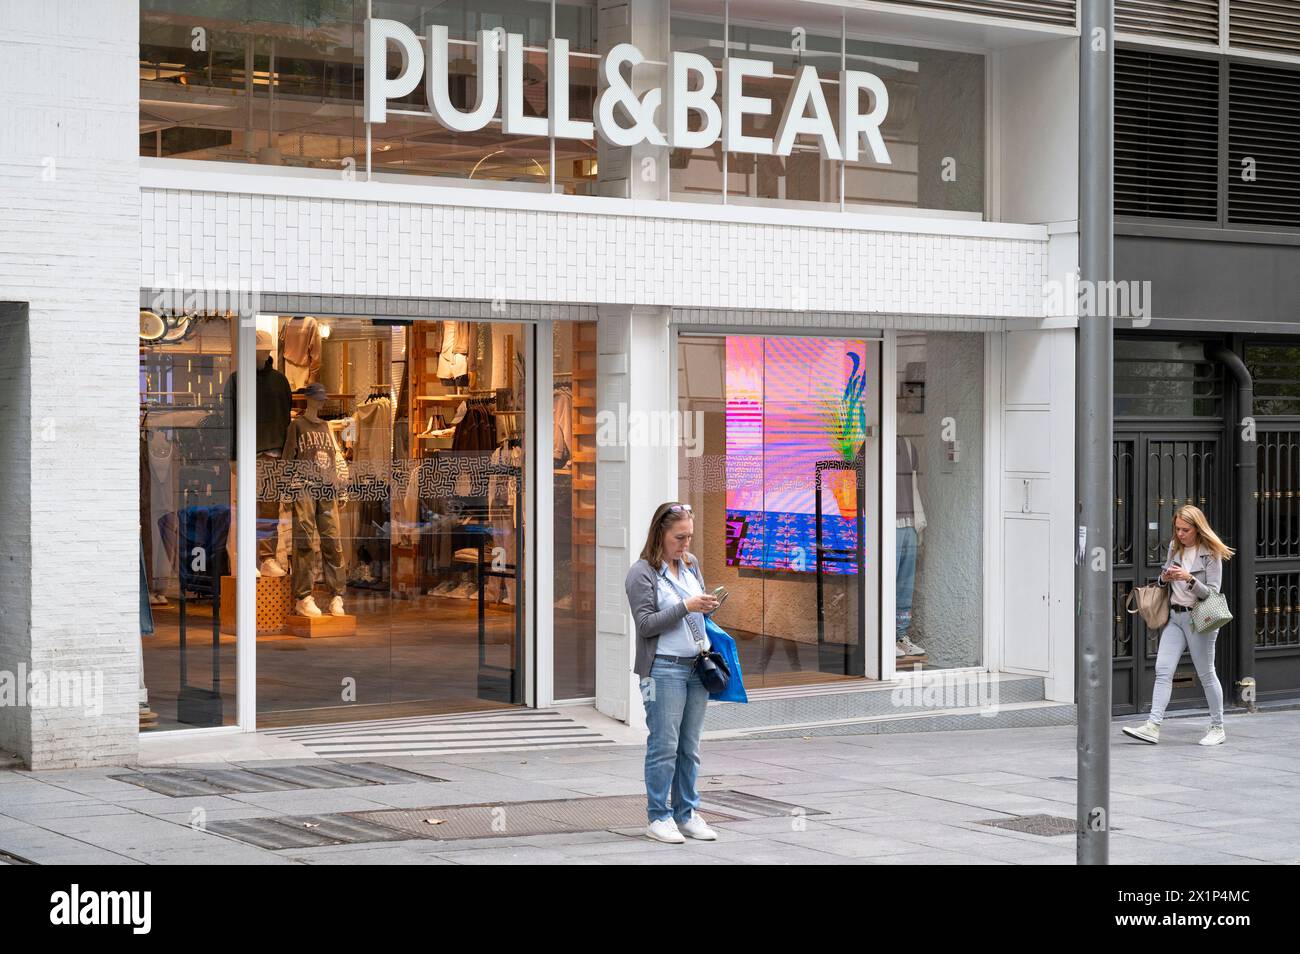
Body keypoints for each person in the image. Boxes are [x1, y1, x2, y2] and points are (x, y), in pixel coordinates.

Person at [625, 502, 721, 844]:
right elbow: (646, 625)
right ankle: (658, 816)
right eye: (679, 538)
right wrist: (686, 607)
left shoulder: (691, 565)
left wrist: (706, 606)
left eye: (689, 537)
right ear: (660, 534)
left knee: (689, 746)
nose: (685, 545)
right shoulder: (642, 573)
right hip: (660, 670)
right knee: (664, 744)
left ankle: (686, 813)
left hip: (697, 665)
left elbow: (697, 614)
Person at [1122, 504, 1233, 747]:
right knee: (1163, 670)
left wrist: (1189, 579)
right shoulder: (1175, 548)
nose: (1180, 534)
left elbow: (1212, 593)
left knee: (1206, 673)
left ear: (1197, 528)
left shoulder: (1211, 554)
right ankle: (1153, 726)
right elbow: (1162, 580)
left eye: (1185, 529)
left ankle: (1217, 727)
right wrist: (1165, 578)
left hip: (1199, 620)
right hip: (1174, 617)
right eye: (1177, 529)